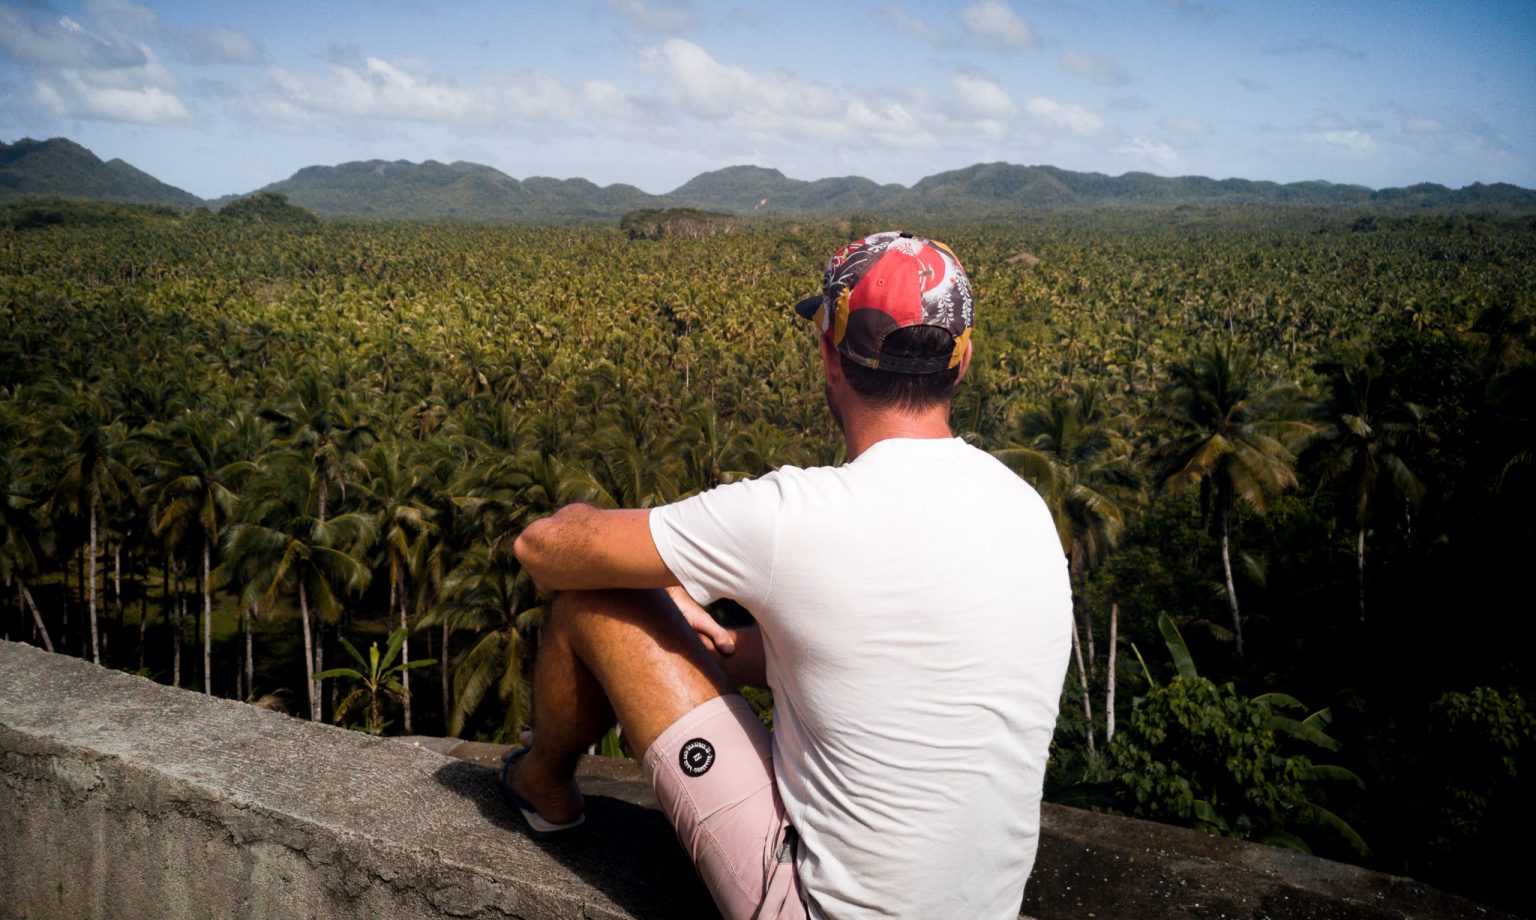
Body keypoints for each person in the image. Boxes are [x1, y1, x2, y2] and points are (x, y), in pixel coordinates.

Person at [506, 230, 1073, 919]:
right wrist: (723, 646)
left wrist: (597, 539)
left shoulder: (791, 514)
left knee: (594, 604)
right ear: (962, 362)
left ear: (830, 358)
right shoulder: (1023, 507)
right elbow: (884, 657)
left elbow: (545, 550)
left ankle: (543, 787)